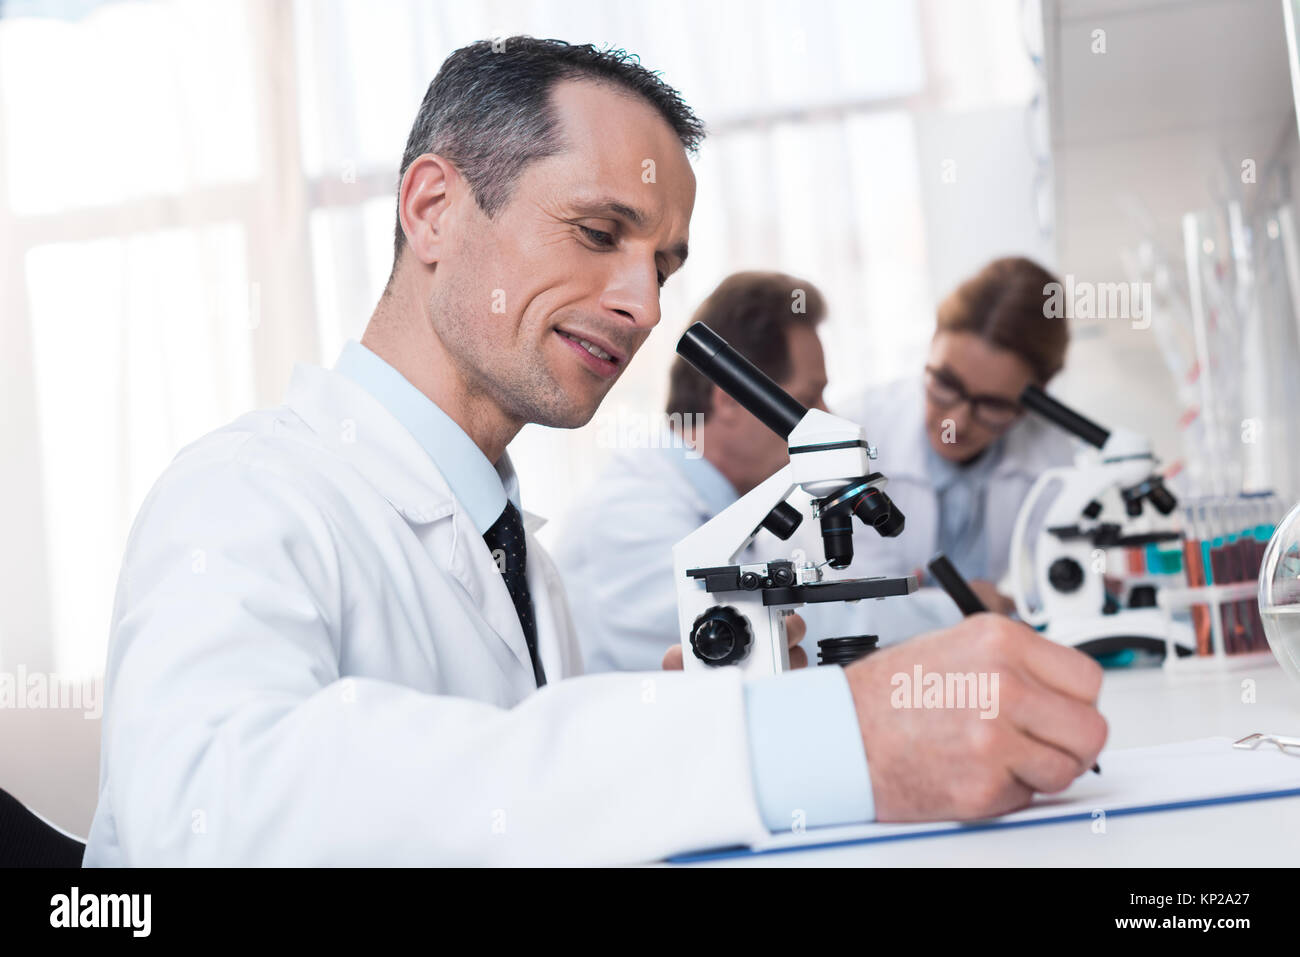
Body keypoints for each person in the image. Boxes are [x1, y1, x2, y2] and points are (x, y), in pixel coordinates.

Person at [84, 38, 1105, 866]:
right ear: (432, 209)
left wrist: (684, 721)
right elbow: (205, 813)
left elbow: (508, 811)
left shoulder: (520, 557)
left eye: (661, 262)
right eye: (595, 230)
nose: (645, 304)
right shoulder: (243, 496)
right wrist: (789, 744)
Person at [551, 271, 830, 673]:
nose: (827, 418)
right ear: (731, 400)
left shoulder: (733, 508)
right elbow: (790, 633)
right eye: (807, 400)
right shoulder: (627, 522)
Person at [811, 257, 1077, 642]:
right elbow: (850, 606)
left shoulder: (1049, 455)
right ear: (931, 344)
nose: (958, 422)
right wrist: (960, 606)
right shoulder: (857, 431)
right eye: (945, 384)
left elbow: (1058, 591)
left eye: (993, 405)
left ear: (1035, 402)